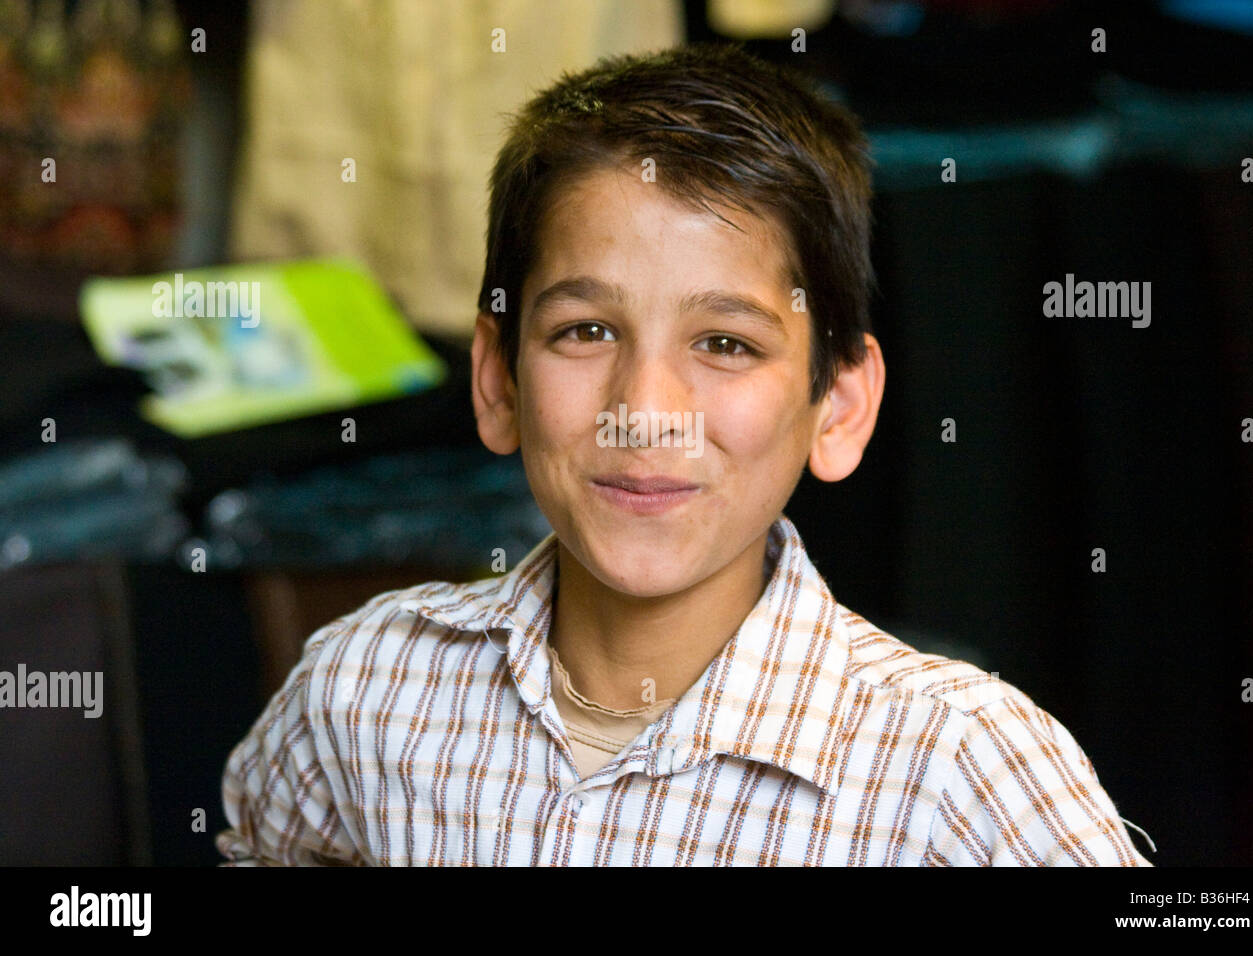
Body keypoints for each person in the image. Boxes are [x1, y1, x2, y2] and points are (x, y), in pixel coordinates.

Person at [217, 42, 1151, 866]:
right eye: (585, 331)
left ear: (839, 405)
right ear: (497, 379)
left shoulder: (956, 767)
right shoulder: (368, 685)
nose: (646, 412)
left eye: (726, 344)